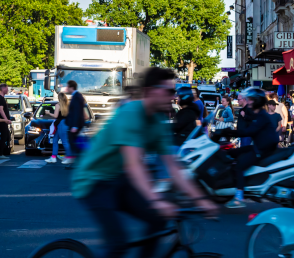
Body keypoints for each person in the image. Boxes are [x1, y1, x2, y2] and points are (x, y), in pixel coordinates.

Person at [72, 67, 217, 258]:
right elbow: (134, 165)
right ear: (150, 91)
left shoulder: (157, 120)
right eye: (168, 91)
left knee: (158, 220)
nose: (173, 97)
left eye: (174, 92)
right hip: (93, 181)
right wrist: (156, 201)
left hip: (118, 178)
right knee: (118, 243)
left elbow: (173, 166)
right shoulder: (131, 113)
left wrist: (201, 200)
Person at [212, 87, 279, 209]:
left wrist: (228, 132)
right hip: (258, 147)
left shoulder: (262, 116)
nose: (248, 102)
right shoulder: (257, 114)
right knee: (232, 152)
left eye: (250, 100)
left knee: (239, 167)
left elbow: (248, 131)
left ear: (257, 101)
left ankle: (239, 198)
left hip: (261, 150)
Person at [65, 80, 88, 163]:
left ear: (72, 87)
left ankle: (80, 158)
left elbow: (77, 112)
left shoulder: (77, 96)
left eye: (68, 87)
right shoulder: (75, 96)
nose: (67, 88)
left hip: (76, 124)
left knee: (73, 141)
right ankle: (78, 158)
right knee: (74, 141)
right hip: (75, 124)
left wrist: (75, 126)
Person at [44, 92, 69, 164]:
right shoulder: (68, 105)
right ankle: (53, 157)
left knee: (64, 142)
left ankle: (70, 156)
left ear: (59, 98)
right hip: (65, 123)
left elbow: (55, 116)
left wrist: (48, 113)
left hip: (60, 124)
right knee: (55, 140)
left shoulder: (58, 105)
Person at [0, 84, 13, 158]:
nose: (7, 90)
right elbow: (1, 110)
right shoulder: (0, 98)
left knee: (7, 136)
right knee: (4, 136)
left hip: (3, 121)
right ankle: (0, 153)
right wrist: (6, 120)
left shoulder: (1, 98)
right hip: (2, 122)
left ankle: (2, 152)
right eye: (6, 88)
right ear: (2, 89)